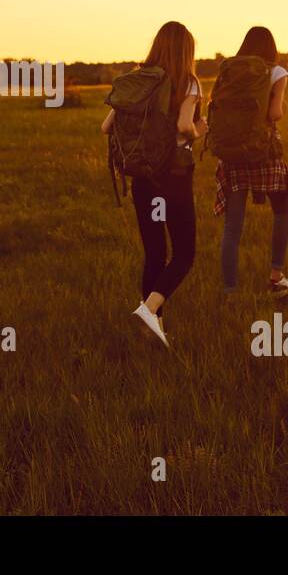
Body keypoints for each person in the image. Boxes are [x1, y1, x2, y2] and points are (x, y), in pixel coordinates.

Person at [101, 21, 204, 347]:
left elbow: (106, 127)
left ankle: (153, 329)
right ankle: (149, 309)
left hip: (143, 178)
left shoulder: (136, 80)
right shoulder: (188, 83)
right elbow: (186, 126)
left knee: (155, 252)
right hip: (173, 177)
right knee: (185, 253)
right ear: (186, 51)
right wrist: (199, 128)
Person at [214, 27, 288, 297]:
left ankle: (230, 290)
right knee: (282, 209)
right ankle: (276, 277)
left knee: (233, 225)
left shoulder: (229, 70)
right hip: (263, 152)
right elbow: (275, 113)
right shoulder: (276, 72)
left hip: (233, 153)